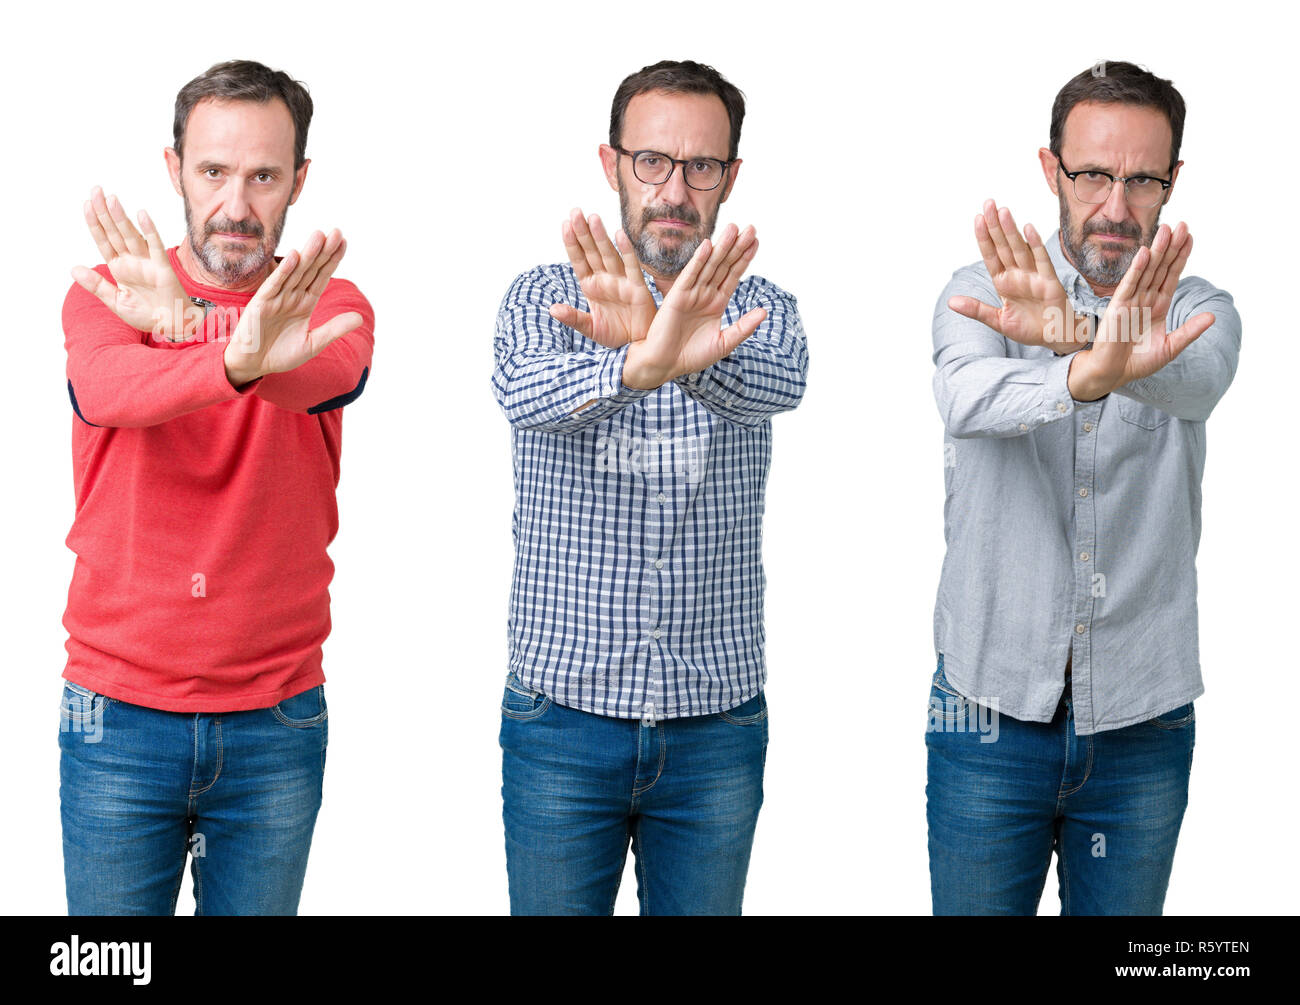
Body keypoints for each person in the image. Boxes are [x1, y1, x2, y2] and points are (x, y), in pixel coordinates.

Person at [491, 59, 808, 915]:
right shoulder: (541, 295)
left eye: (701, 166)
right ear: (612, 164)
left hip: (716, 725)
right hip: (561, 719)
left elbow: (782, 382)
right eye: (652, 162)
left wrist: (680, 352)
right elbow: (523, 391)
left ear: (730, 177)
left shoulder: (764, 306)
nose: (674, 190)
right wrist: (638, 362)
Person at [59, 59, 374, 915]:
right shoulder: (109, 293)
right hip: (116, 710)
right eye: (213, 172)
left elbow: (322, 376)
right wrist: (217, 345)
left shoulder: (330, 303)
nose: (236, 205)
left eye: (263, 176)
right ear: (175, 170)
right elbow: (107, 390)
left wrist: (191, 329)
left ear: (299, 181)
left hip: (275, 717)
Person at [927, 60, 1240, 915]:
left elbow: (1196, 385)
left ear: (1173, 180)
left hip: (1142, 718)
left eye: (1143, 180)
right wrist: (1084, 368)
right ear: (1051, 170)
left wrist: (1074, 337)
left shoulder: (1201, 311)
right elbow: (967, 400)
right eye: (1093, 174)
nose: (1116, 205)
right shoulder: (979, 293)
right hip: (986, 712)